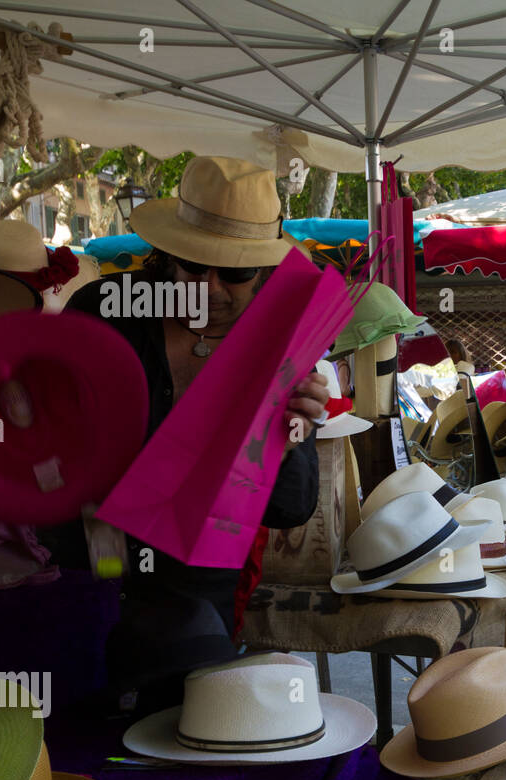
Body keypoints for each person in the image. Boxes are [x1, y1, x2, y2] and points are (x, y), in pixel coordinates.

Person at [57, 155, 328, 645]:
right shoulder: (104, 310)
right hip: (83, 575)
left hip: (197, 598)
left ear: (264, 270)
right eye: (194, 266)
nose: (208, 288)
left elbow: (289, 508)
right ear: (168, 254)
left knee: (186, 717)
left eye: (234, 273)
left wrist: (286, 442)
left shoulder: (279, 342)